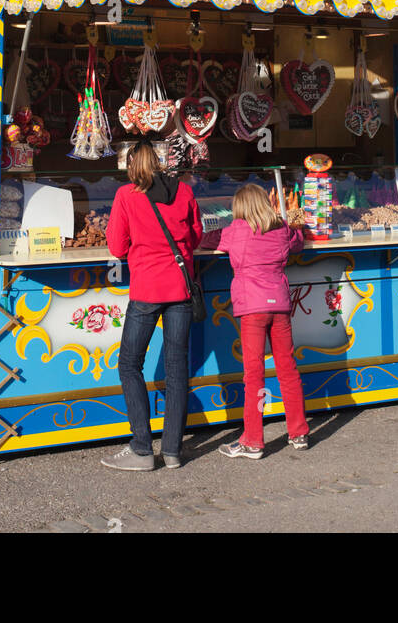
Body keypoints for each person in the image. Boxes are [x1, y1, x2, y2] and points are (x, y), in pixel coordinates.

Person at [102, 140, 203, 471]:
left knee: (130, 363)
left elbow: (117, 247)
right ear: (159, 163)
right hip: (181, 289)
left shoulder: (126, 196)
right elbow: (196, 235)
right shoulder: (185, 192)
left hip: (146, 290)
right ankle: (172, 450)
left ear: (132, 166)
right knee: (177, 368)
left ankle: (143, 449)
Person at [217, 183, 309, 460]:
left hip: (252, 309)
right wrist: (295, 222)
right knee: (287, 368)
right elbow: (299, 242)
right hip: (279, 305)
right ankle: (299, 433)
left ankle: (253, 441)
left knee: (253, 374)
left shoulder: (234, 231)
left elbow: (207, 240)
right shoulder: (281, 229)